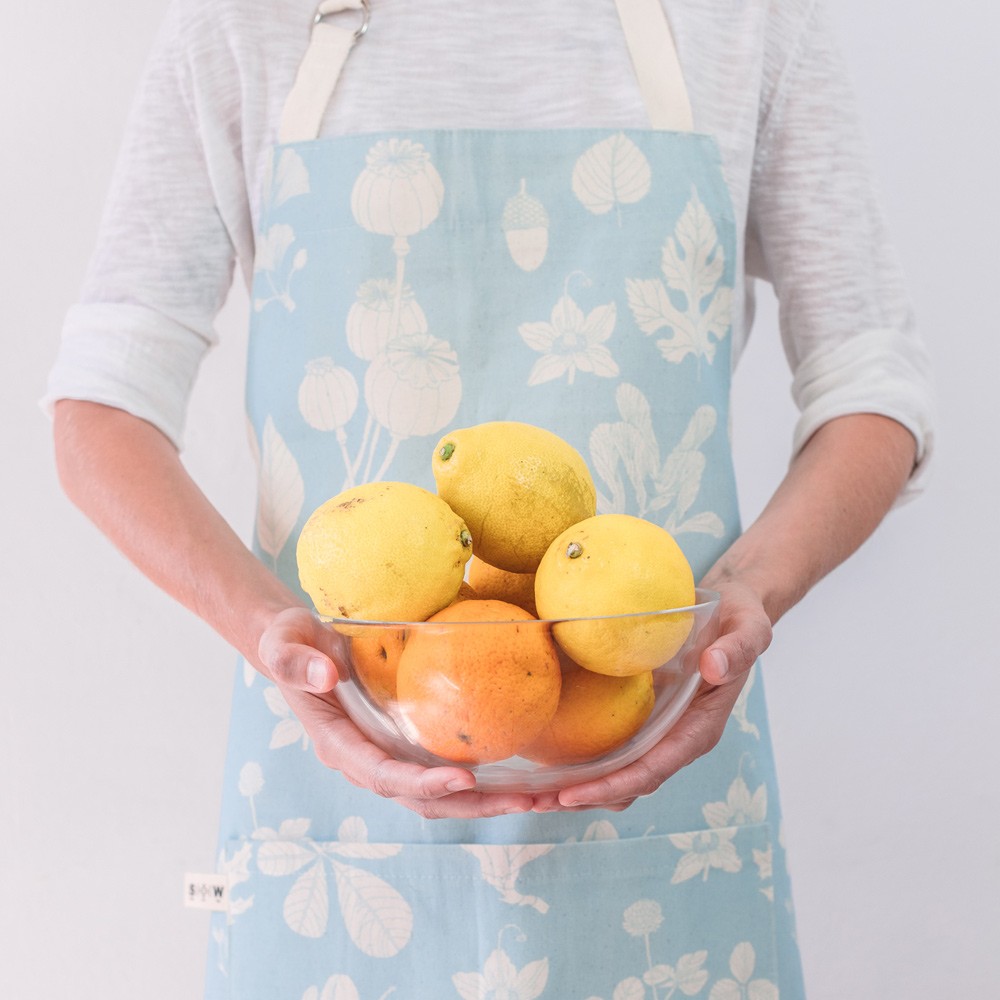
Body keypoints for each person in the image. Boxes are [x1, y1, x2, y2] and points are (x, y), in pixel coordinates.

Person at [45, 1, 933, 997]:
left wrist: (747, 596)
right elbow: (100, 411)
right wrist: (267, 630)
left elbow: (872, 389)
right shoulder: (239, 25)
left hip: (661, 761)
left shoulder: (747, 21)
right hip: (337, 805)